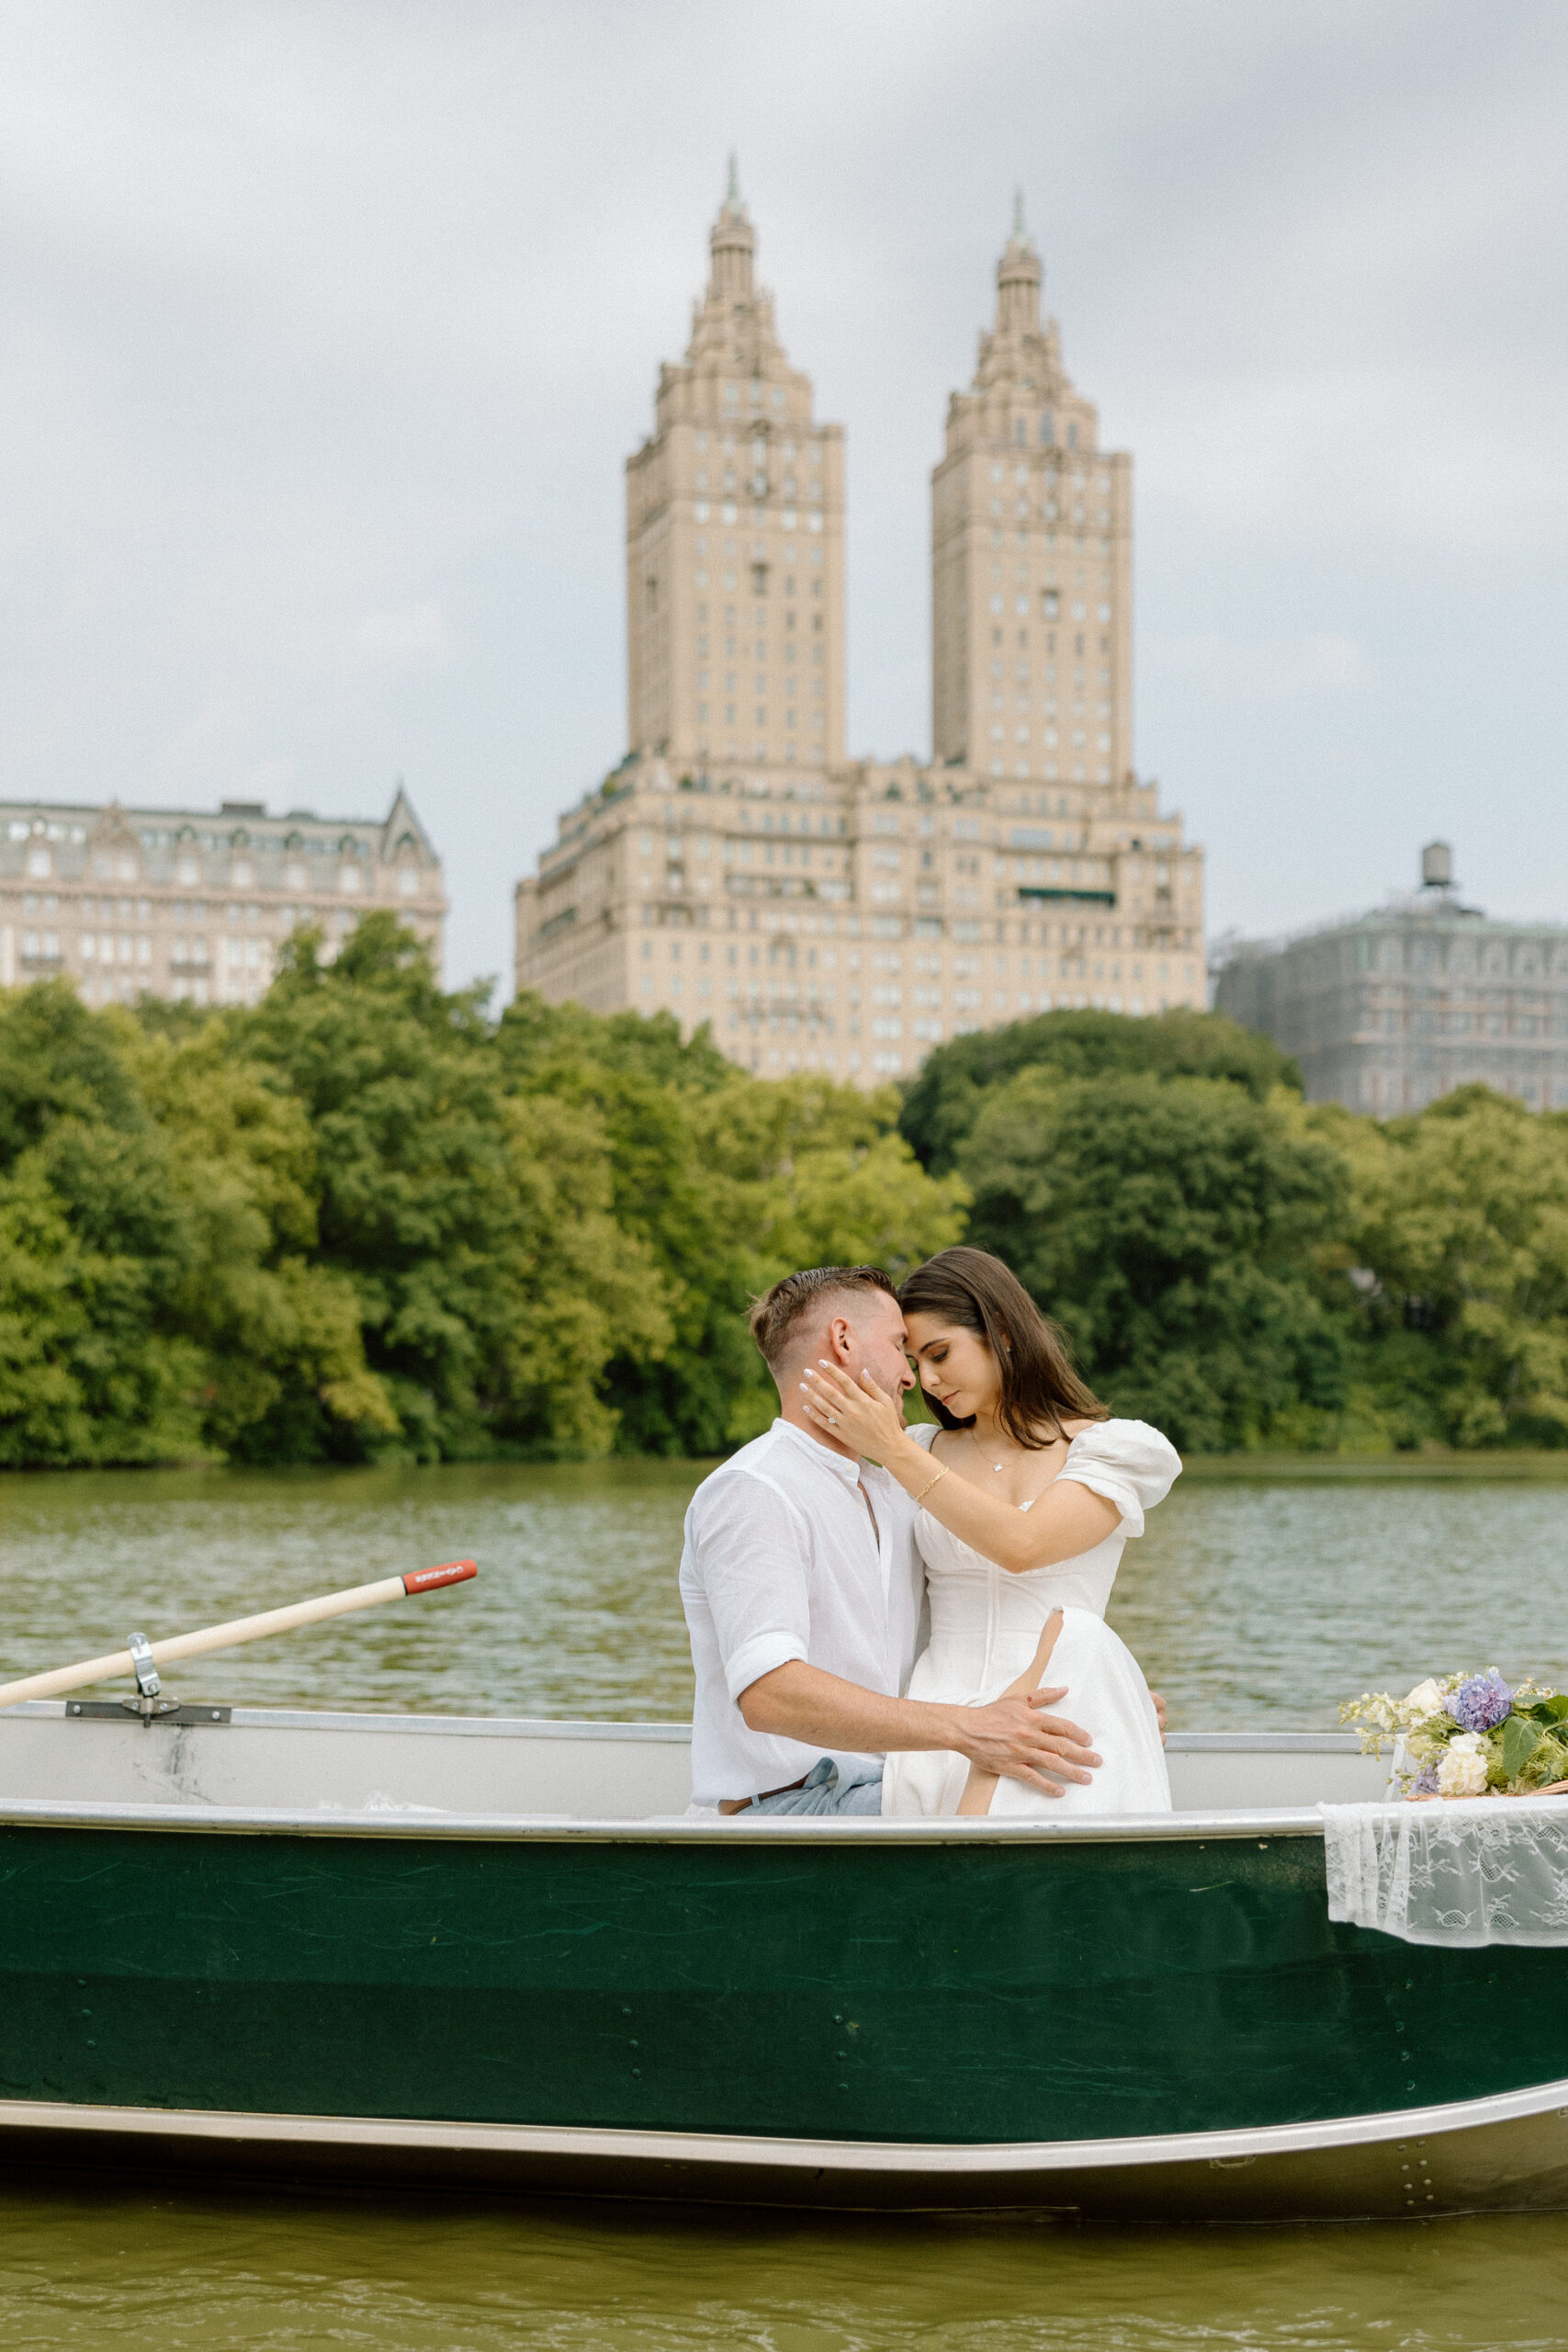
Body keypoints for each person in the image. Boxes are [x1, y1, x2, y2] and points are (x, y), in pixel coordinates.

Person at [680, 1264, 1106, 1815]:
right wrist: (969, 1729)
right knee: (1034, 1800)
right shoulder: (756, 1489)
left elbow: (975, 1622)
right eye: (900, 1348)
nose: (914, 1379)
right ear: (842, 1340)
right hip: (800, 1805)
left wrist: (1089, 1695)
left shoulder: (891, 1489)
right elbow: (770, 1696)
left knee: (1081, 1763)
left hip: (896, 1781)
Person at [798, 1246, 1178, 1819]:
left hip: (1062, 1707)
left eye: (940, 1353)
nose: (927, 1380)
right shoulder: (918, 1451)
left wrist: (1117, 1686)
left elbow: (1024, 1546)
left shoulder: (1111, 1449)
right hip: (941, 1722)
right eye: (913, 1360)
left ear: (1000, 1331)